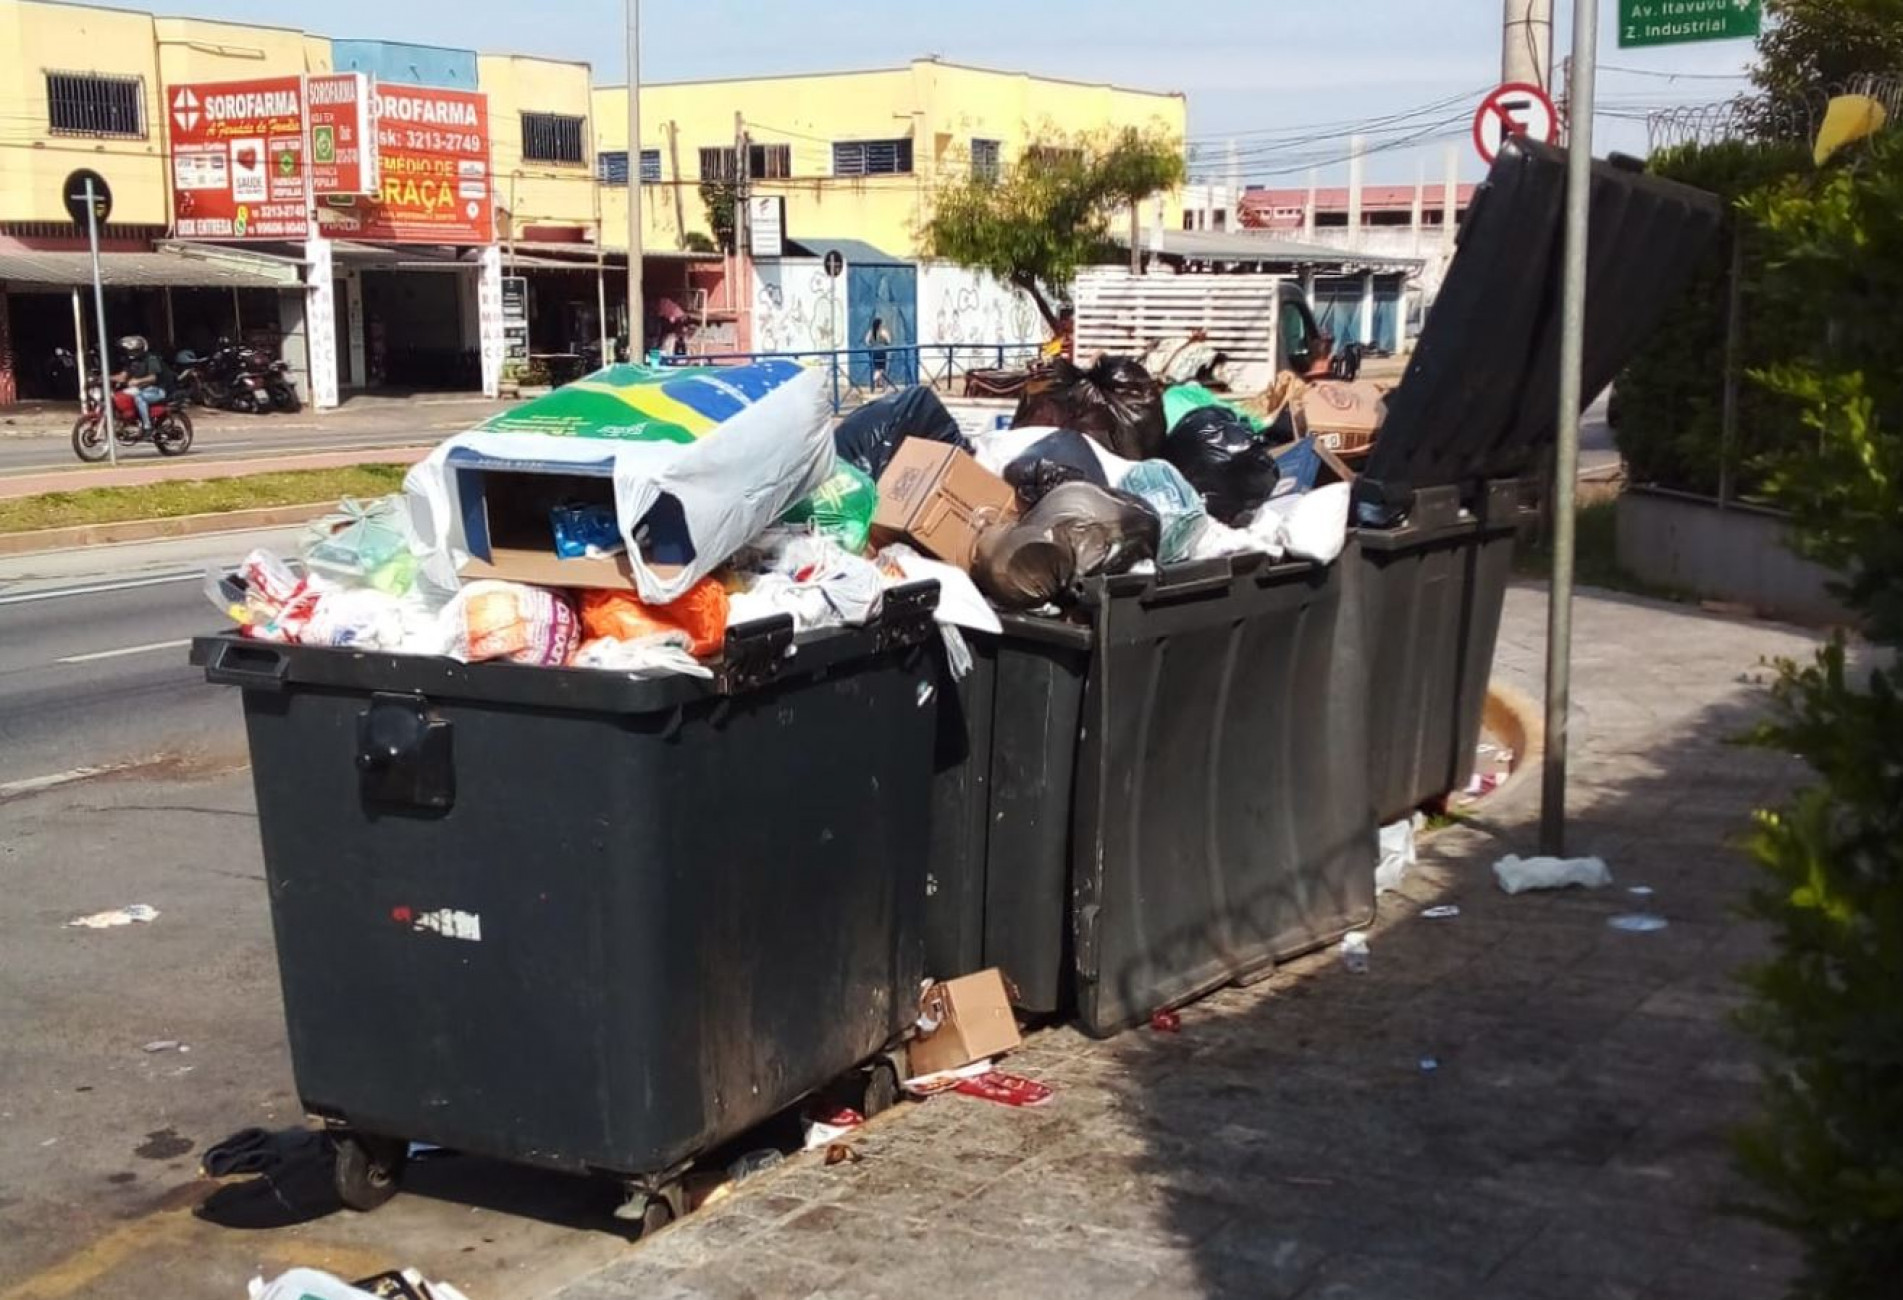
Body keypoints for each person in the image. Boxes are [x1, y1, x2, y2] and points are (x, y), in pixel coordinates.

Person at [112, 336, 173, 431]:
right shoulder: (131, 362)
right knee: (121, 395)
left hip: (158, 390)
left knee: (139, 398)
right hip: (142, 389)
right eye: (129, 350)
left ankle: (147, 427)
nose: (131, 353)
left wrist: (138, 381)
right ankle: (130, 421)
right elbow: (123, 376)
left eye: (134, 350)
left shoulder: (151, 359)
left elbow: (153, 378)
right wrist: (104, 378)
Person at [864, 316, 892, 389]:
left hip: (874, 351)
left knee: (876, 367)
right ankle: (875, 379)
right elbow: (888, 341)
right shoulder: (883, 332)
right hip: (882, 351)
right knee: (882, 368)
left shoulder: (871, 332)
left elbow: (867, 341)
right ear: (880, 324)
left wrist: (872, 345)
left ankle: (879, 383)